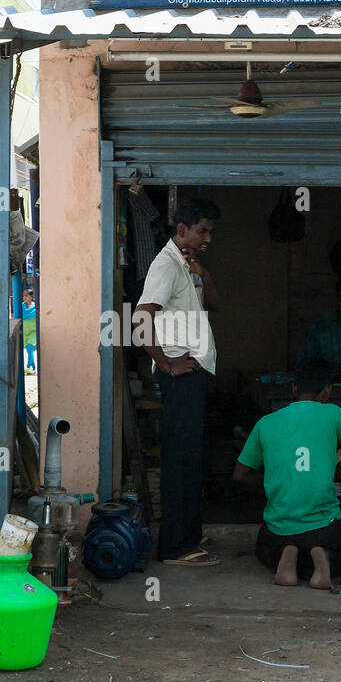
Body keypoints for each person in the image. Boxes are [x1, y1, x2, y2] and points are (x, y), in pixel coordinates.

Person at [232, 358, 341, 589]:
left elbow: (240, 475)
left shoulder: (266, 422)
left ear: (294, 388)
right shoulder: (334, 414)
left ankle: (288, 560)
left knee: (264, 548)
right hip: (325, 530)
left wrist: (270, 481)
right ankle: (322, 560)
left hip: (279, 532)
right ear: (327, 390)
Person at [134, 198, 221, 567]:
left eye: (210, 233)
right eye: (202, 231)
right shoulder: (165, 265)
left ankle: (188, 535)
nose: (208, 239)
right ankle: (174, 546)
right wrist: (166, 365)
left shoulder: (186, 266)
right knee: (180, 460)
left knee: (192, 458)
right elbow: (140, 318)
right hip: (180, 377)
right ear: (181, 229)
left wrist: (204, 273)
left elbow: (216, 303)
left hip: (194, 373)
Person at [22, 289, 37, 373]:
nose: (24, 297)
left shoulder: (36, 307)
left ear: (31, 297)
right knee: (29, 351)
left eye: (26, 295)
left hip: (33, 332)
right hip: (24, 332)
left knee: (30, 348)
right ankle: (33, 368)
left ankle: (27, 367)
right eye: (23, 295)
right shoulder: (21, 306)